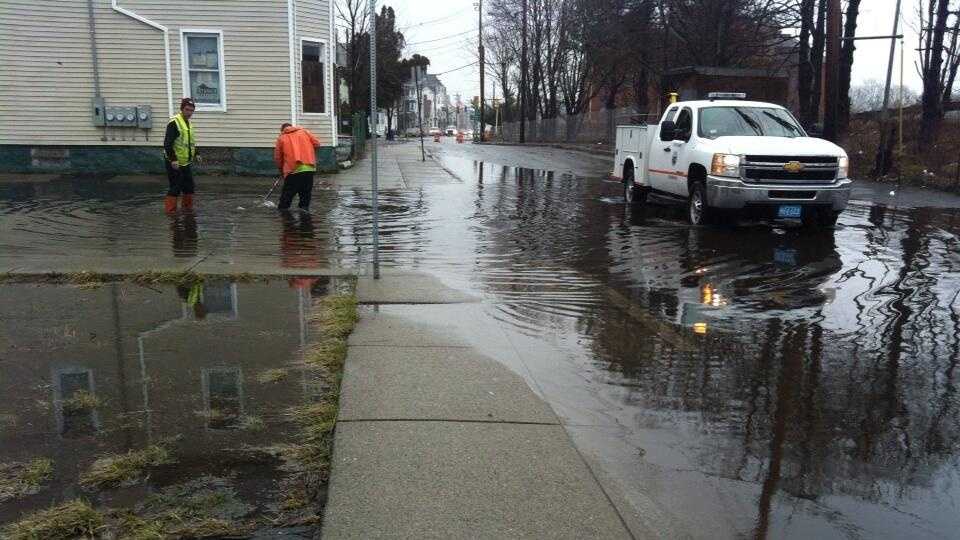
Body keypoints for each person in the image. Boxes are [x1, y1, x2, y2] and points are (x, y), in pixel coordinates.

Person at [274, 123, 322, 211]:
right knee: (305, 194)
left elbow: (278, 157)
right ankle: (304, 213)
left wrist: (281, 170)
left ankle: (283, 215)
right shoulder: (304, 132)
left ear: (282, 130)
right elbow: (317, 144)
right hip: (309, 168)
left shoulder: (281, 138)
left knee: (286, 197)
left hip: (293, 170)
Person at [163, 98, 198, 213]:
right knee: (176, 187)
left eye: (191, 110)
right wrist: (173, 159)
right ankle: (171, 212)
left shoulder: (188, 123)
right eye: (187, 110)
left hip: (185, 162)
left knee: (189, 187)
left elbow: (190, 142)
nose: (189, 113)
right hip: (174, 162)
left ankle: (187, 210)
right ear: (182, 109)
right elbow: (167, 143)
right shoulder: (174, 122)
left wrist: (197, 153)